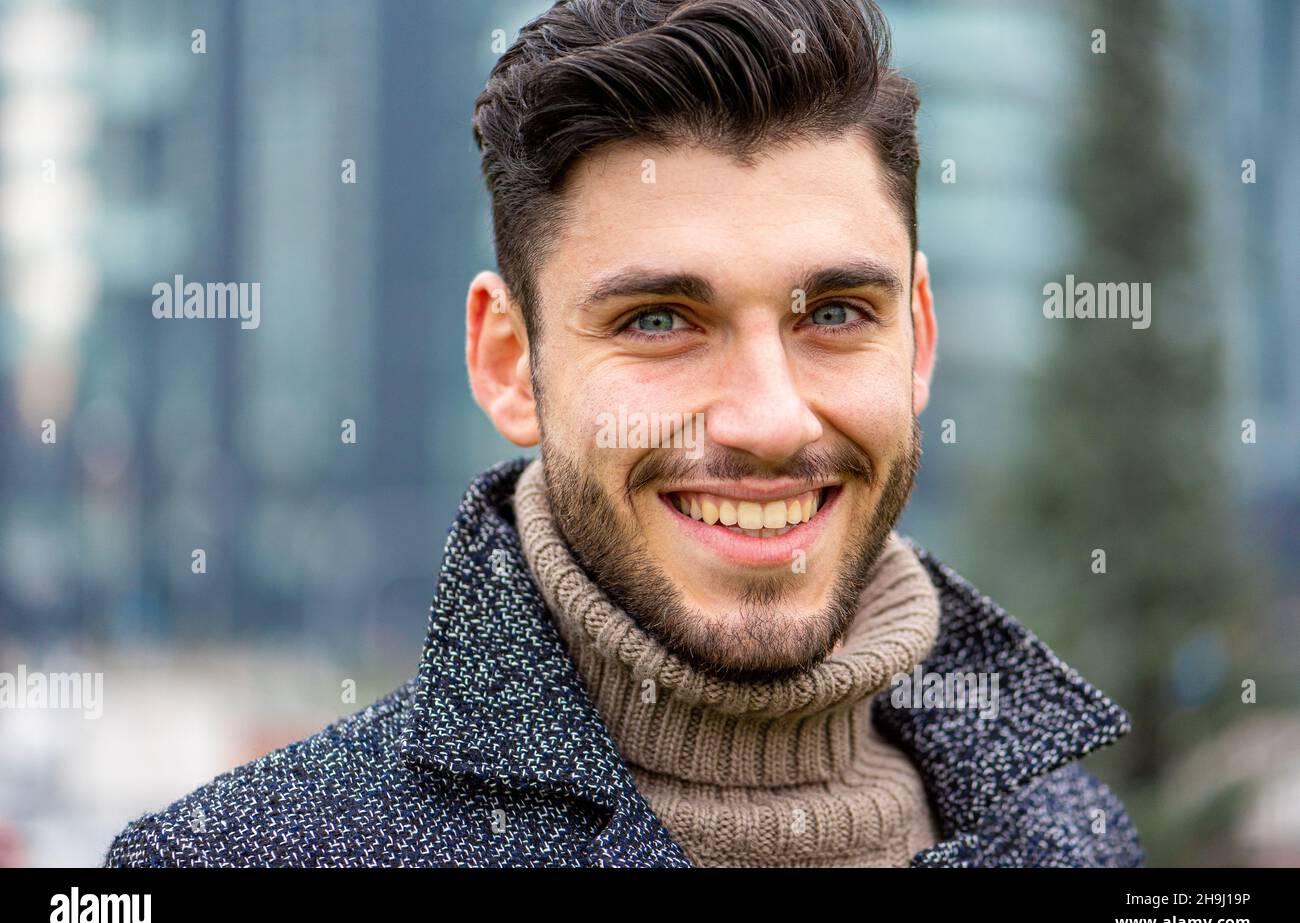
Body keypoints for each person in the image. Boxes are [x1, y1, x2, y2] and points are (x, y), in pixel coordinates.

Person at [106, 0, 1142, 868]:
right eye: (658, 322)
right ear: (510, 364)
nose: (769, 421)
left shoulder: (1074, 838)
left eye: (833, 314)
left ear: (916, 343)